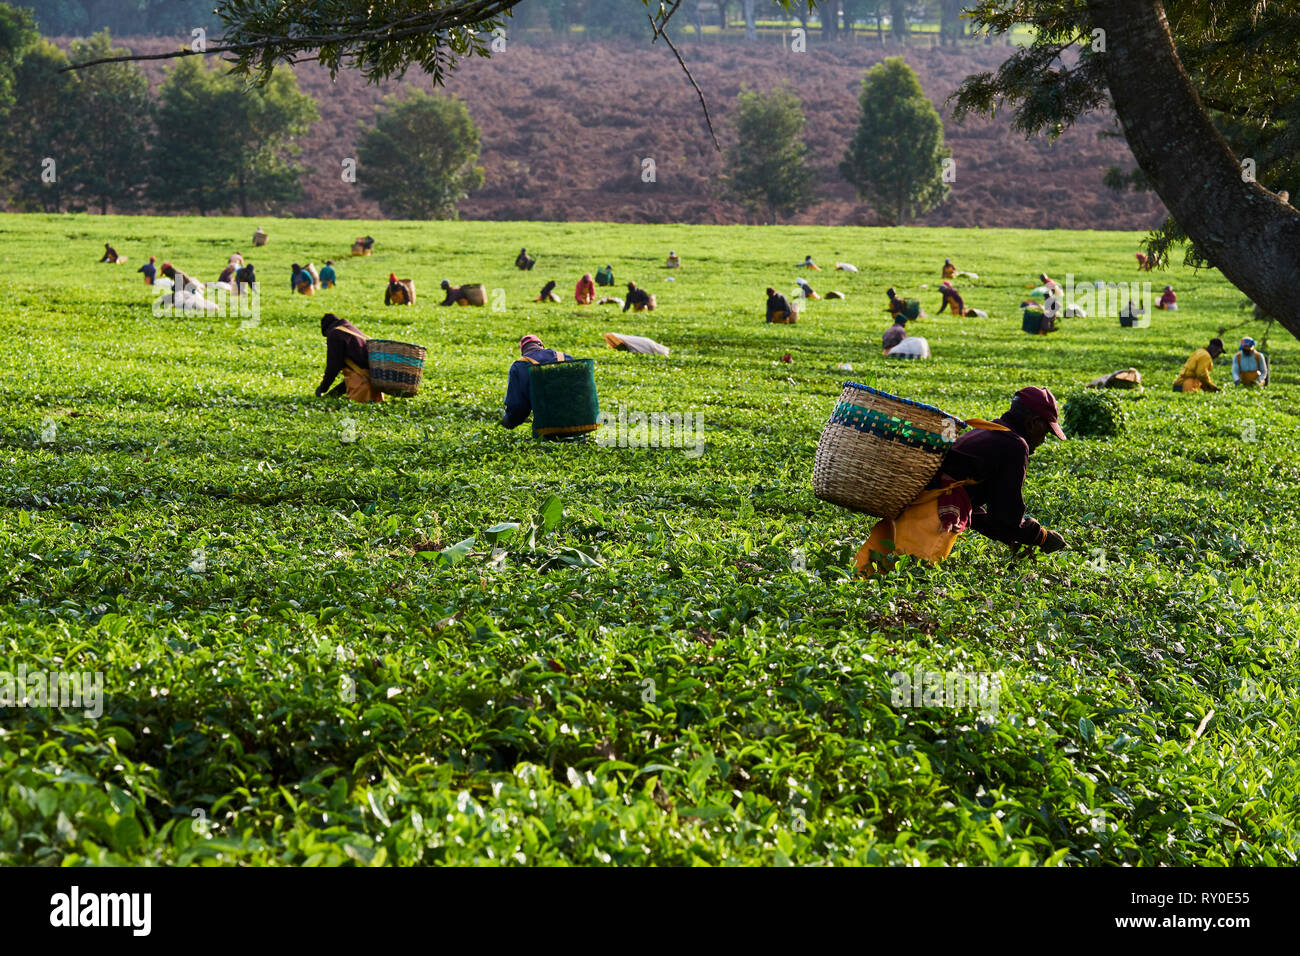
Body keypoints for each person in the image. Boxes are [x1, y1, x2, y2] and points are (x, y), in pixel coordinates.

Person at [856, 387, 1068, 576]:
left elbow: (975, 510)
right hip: (933, 516)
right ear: (1033, 424)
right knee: (908, 578)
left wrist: (1013, 538)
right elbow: (1006, 516)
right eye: (1046, 431)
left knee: (870, 572)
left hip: (914, 506)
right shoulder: (1015, 446)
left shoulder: (990, 429)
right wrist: (1040, 537)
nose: (1043, 440)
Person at [502, 334, 574, 430]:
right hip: (583, 424)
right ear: (541, 346)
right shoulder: (565, 358)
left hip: (547, 430)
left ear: (523, 352)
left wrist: (508, 421)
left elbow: (518, 407)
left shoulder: (520, 366)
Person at [316, 313, 383, 403]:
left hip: (362, 388)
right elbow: (357, 370)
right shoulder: (351, 330)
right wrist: (332, 394)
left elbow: (333, 366)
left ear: (326, 330)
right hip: (374, 384)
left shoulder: (335, 334)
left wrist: (323, 387)